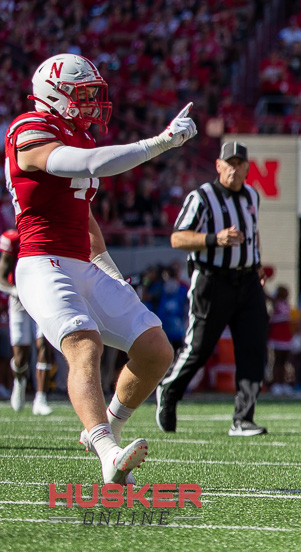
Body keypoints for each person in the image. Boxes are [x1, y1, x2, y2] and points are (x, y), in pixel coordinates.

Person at [7, 52, 194, 484]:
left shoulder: (77, 134)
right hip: (42, 263)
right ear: (56, 95)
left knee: (156, 351)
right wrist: (160, 142)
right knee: (85, 344)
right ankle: (108, 454)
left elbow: (84, 217)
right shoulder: (29, 128)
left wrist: (107, 267)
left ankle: (108, 429)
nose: (93, 102)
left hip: (82, 263)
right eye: (85, 94)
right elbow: (89, 166)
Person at [160, 141, 270, 437]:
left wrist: (256, 262)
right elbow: (177, 238)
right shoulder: (202, 197)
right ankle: (169, 392)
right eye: (229, 163)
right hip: (213, 279)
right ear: (219, 165)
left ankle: (243, 418)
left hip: (247, 280)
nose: (234, 169)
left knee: (253, 348)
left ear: (247, 167)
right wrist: (214, 239)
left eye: (240, 164)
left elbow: (253, 233)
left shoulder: (252, 196)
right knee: (199, 348)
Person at [0, 228, 53, 415]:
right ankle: (19, 382)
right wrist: (16, 291)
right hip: (19, 298)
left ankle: (41, 398)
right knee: (21, 353)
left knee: (44, 345)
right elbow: (1, 278)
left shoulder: (46, 235)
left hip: (42, 296)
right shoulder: (13, 240)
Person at [267, 285, 295, 395]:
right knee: (277, 360)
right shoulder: (276, 303)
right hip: (277, 334)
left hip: (286, 335)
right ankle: (276, 382)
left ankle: (284, 382)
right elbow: (268, 297)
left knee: (285, 361)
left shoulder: (287, 304)